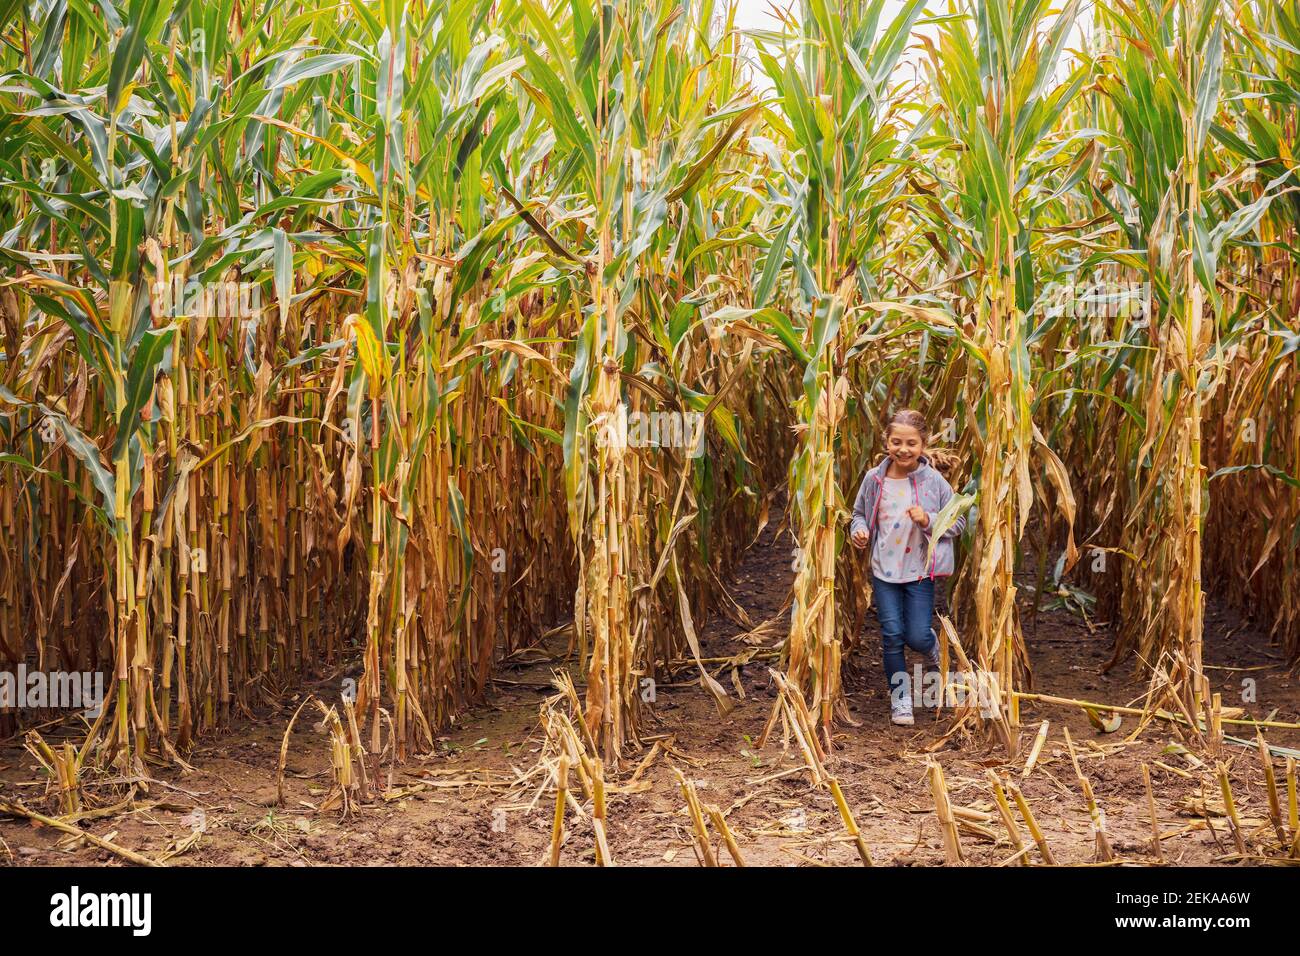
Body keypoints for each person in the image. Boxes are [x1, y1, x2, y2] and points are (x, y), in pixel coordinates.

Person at [849, 409, 971, 725]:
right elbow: (858, 514)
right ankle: (901, 699)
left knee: (916, 635)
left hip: (919, 571)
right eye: (896, 442)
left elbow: (958, 522)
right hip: (884, 571)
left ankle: (933, 653)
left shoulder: (935, 482)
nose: (903, 449)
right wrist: (858, 532)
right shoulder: (874, 479)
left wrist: (929, 520)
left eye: (911, 443)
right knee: (891, 635)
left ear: (922, 444)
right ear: (886, 442)